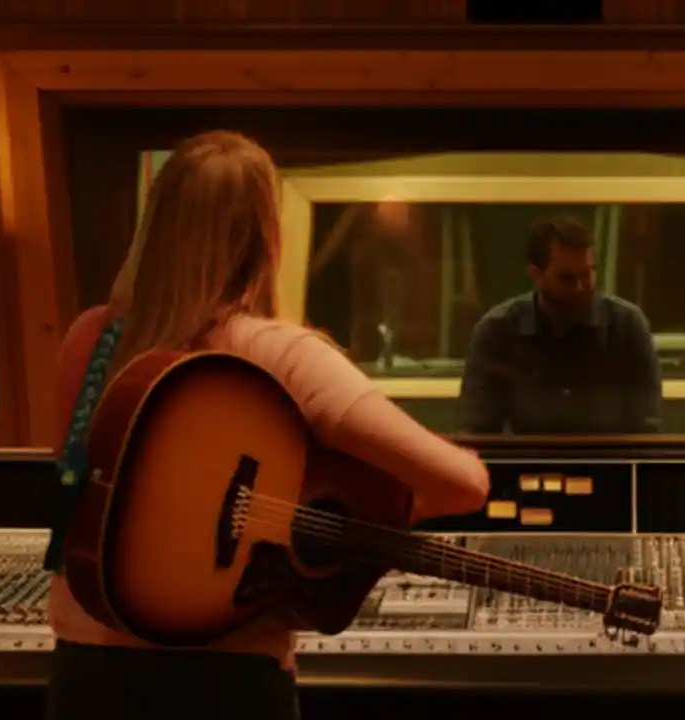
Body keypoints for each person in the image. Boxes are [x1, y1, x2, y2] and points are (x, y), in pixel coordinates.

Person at [44, 130, 490, 719]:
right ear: (265, 239)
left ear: (153, 223)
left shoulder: (89, 339)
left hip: (85, 676)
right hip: (227, 681)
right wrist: (319, 522)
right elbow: (463, 484)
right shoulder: (284, 355)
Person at [459, 215, 662, 435]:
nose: (579, 287)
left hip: (609, 465)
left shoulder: (627, 326)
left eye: (587, 275)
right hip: (528, 465)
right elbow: (477, 431)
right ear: (536, 275)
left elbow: (646, 429)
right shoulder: (498, 332)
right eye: (566, 278)